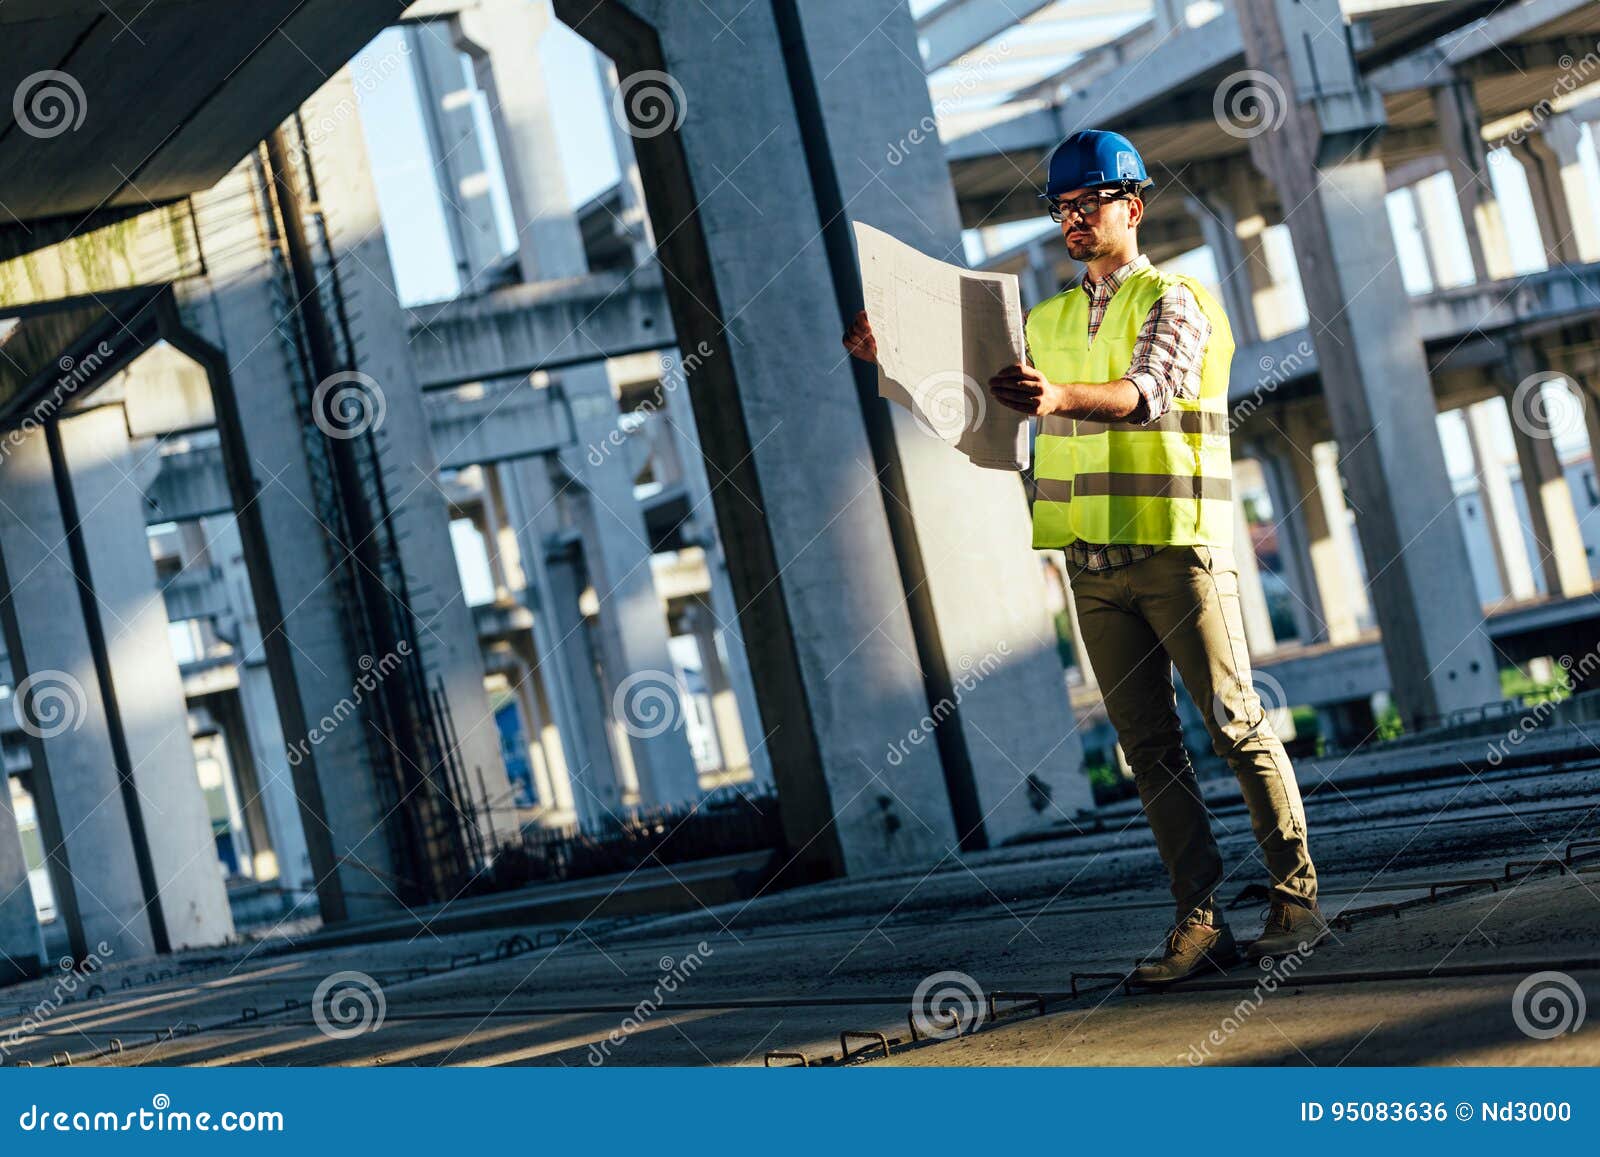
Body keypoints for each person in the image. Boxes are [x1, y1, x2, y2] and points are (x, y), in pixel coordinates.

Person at [843, 129, 1324, 984]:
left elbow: (1151, 392)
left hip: (1177, 551)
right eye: (1063, 207)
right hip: (1090, 565)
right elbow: (986, 410)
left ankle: (1295, 897)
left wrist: (1058, 395)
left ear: (1132, 207)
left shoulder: (1177, 299)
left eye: (1089, 202)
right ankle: (1198, 919)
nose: (1074, 218)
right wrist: (900, 360)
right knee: (1147, 749)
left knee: (1234, 722)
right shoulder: (1045, 321)